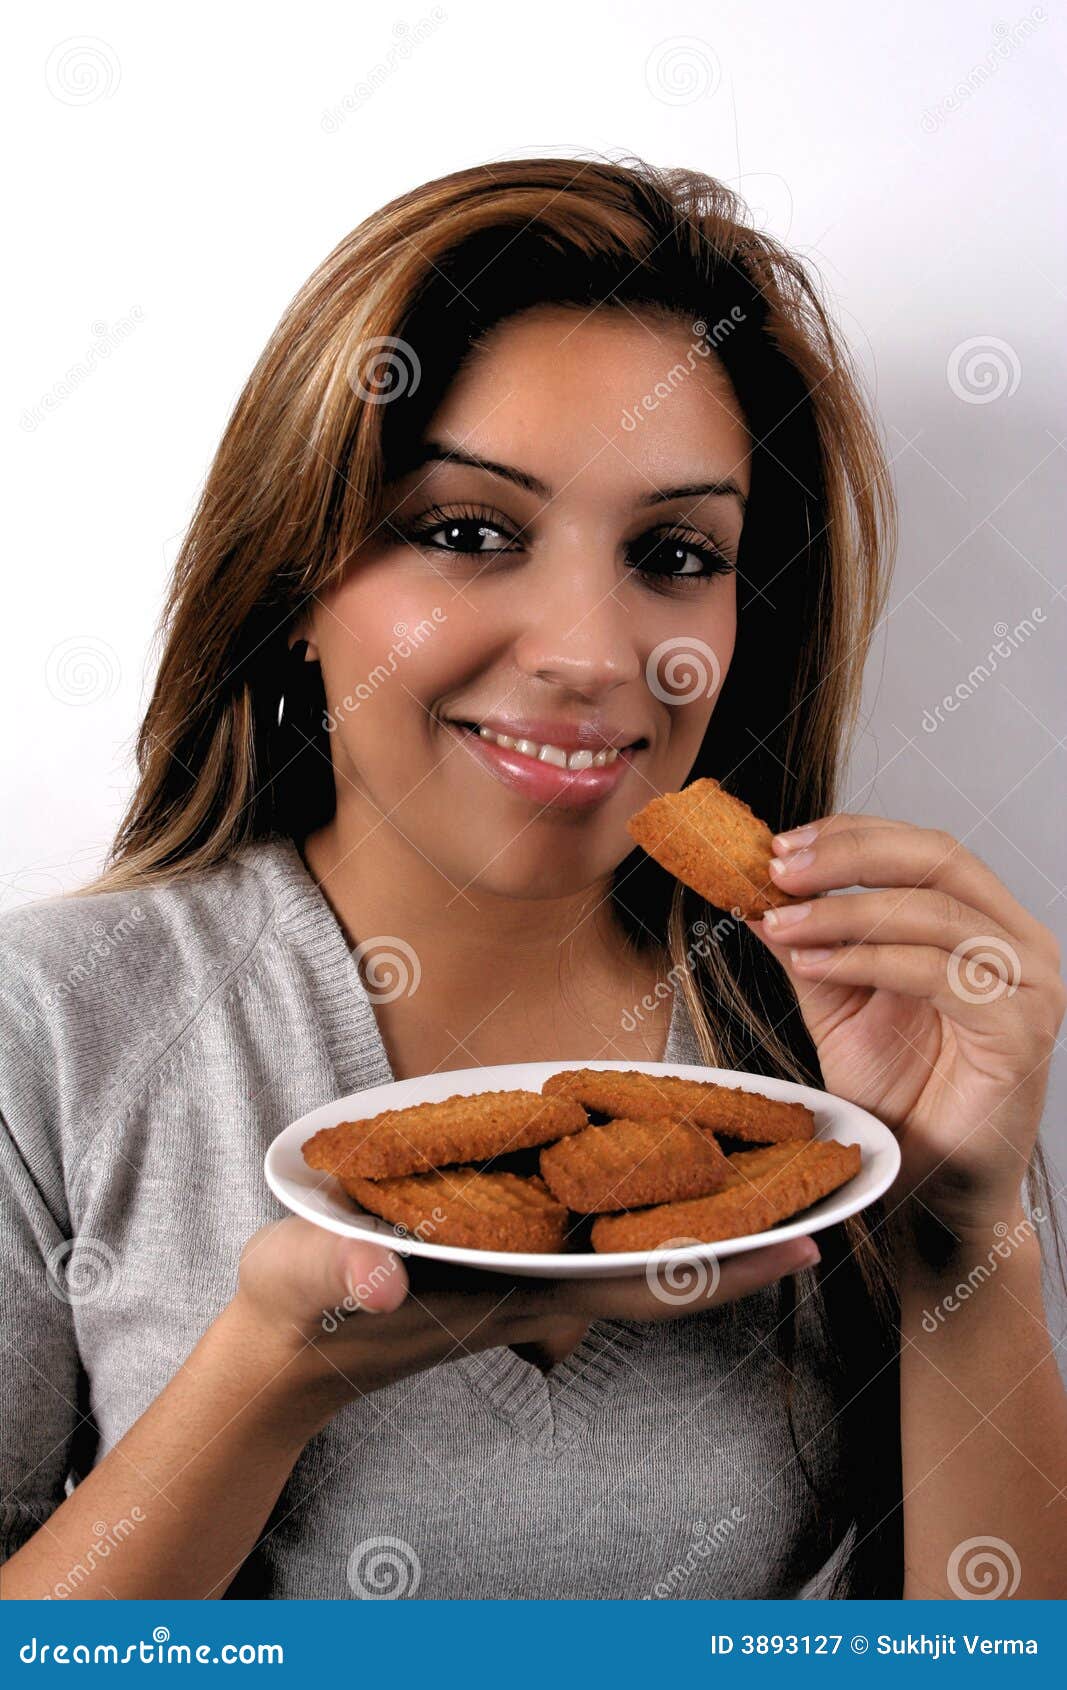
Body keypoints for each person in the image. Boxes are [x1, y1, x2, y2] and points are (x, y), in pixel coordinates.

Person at [2, 157, 1064, 1602]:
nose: (588, 651)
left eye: (674, 553)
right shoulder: (55, 1029)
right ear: (296, 583)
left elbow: (985, 1660)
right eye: (467, 532)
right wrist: (267, 1377)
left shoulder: (856, 1043)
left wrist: (961, 1236)